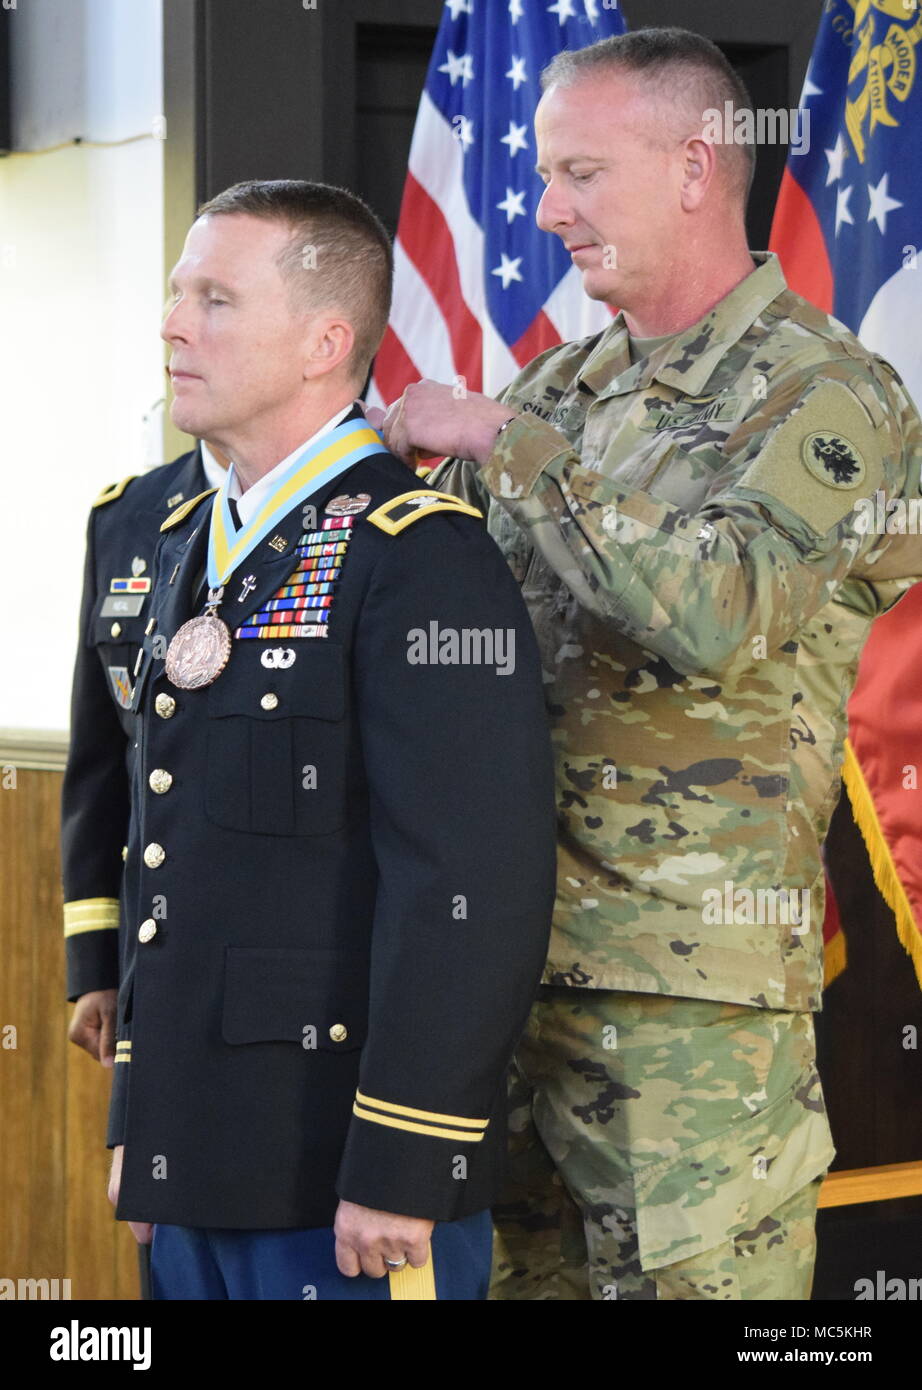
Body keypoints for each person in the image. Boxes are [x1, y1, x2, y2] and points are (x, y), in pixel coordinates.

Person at [376, 28, 922, 1300]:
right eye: (543, 175)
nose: (547, 210)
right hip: (511, 978)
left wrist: (504, 444)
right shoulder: (562, 389)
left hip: (689, 1006)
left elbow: (719, 610)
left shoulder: (828, 393)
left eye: (580, 173)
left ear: (692, 168)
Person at [104, 179, 557, 1301]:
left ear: (324, 343)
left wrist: (408, 1157)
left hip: (347, 1181)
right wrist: (145, 1128)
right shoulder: (188, 542)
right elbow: (170, 868)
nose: (173, 325)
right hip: (198, 1158)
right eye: (177, 294)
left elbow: (469, 885)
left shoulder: (418, 555)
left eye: (215, 299)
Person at [63, 442, 227, 1073]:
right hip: (147, 955)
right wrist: (95, 964)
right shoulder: (126, 513)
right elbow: (99, 760)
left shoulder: (357, 502)